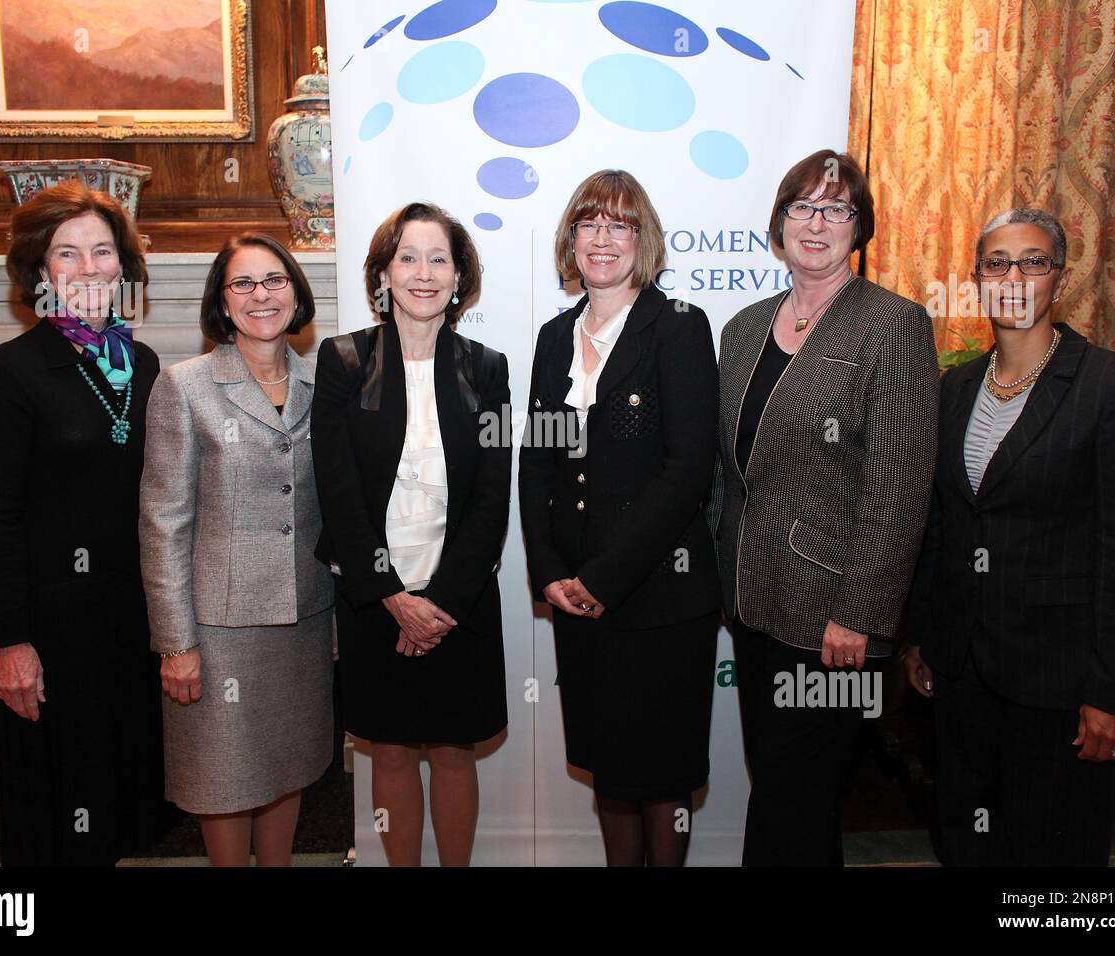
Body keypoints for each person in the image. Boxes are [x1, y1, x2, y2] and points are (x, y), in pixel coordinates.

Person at [904, 208, 1115, 866]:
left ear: (1061, 278)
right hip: (964, 674)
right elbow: (943, 521)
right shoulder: (956, 387)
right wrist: (927, 636)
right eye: (997, 263)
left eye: (1033, 261)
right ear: (976, 279)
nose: (1014, 276)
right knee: (965, 840)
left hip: (1061, 684)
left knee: (1050, 853)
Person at [711, 149, 940, 865]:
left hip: (830, 620)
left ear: (859, 228)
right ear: (779, 224)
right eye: (801, 207)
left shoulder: (891, 325)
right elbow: (729, 469)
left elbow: (899, 484)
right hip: (752, 602)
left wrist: (862, 615)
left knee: (799, 793)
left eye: (836, 209)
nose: (817, 223)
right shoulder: (744, 327)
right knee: (780, 789)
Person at [519, 169, 720, 866]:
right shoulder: (552, 337)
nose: (603, 237)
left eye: (620, 224)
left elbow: (688, 470)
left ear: (644, 238)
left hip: (659, 597)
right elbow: (537, 462)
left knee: (660, 780)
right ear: (571, 238)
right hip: (576, 599)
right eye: (590, 222)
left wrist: (602, 577)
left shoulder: (680, 328)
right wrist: (549, 572)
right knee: (610, 770)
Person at [0, 181, 171, 865]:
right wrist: (11, 642)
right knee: (57, 809)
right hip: (53, 627)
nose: (90, 268)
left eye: (102, 251)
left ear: (124, 265)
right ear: (39, 271)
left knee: (118, 801)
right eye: (68, 253)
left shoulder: (140, 364)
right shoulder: (17, 368)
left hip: (130, 618)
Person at [311, 202, 510, 866]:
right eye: (408, 258)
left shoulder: (487, 368)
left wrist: (442, 603)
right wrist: (393, 596)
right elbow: (337, 492)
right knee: (390, 749)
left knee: (453, 748)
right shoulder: (343, 362)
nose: (424, 273)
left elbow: (492, 498)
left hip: (461, 599)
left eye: (439, 259)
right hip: (374, 597)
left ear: (460, 278)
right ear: (383, 274)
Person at [139, 234, 335, 866]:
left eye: (274, 280)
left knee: (290, 767)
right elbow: (163, 522)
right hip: (217, 630)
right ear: (222, 303)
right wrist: (176, 642)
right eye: (243, 284)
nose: (261, 296)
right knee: (223, 782)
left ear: (296, 293)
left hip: (305, 620)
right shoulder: (185, 387)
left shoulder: (323, 384)